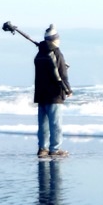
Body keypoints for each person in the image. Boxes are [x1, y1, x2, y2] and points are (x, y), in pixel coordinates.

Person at [33, 23, 72, 158]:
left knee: (43, 125)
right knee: (55, 124)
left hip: (41, 94)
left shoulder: (39, 54)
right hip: (54, 94)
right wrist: (68, 89)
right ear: (55, 39)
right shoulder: (56, 53)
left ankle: (42, 149)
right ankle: (55, 149)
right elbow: (61, 74)